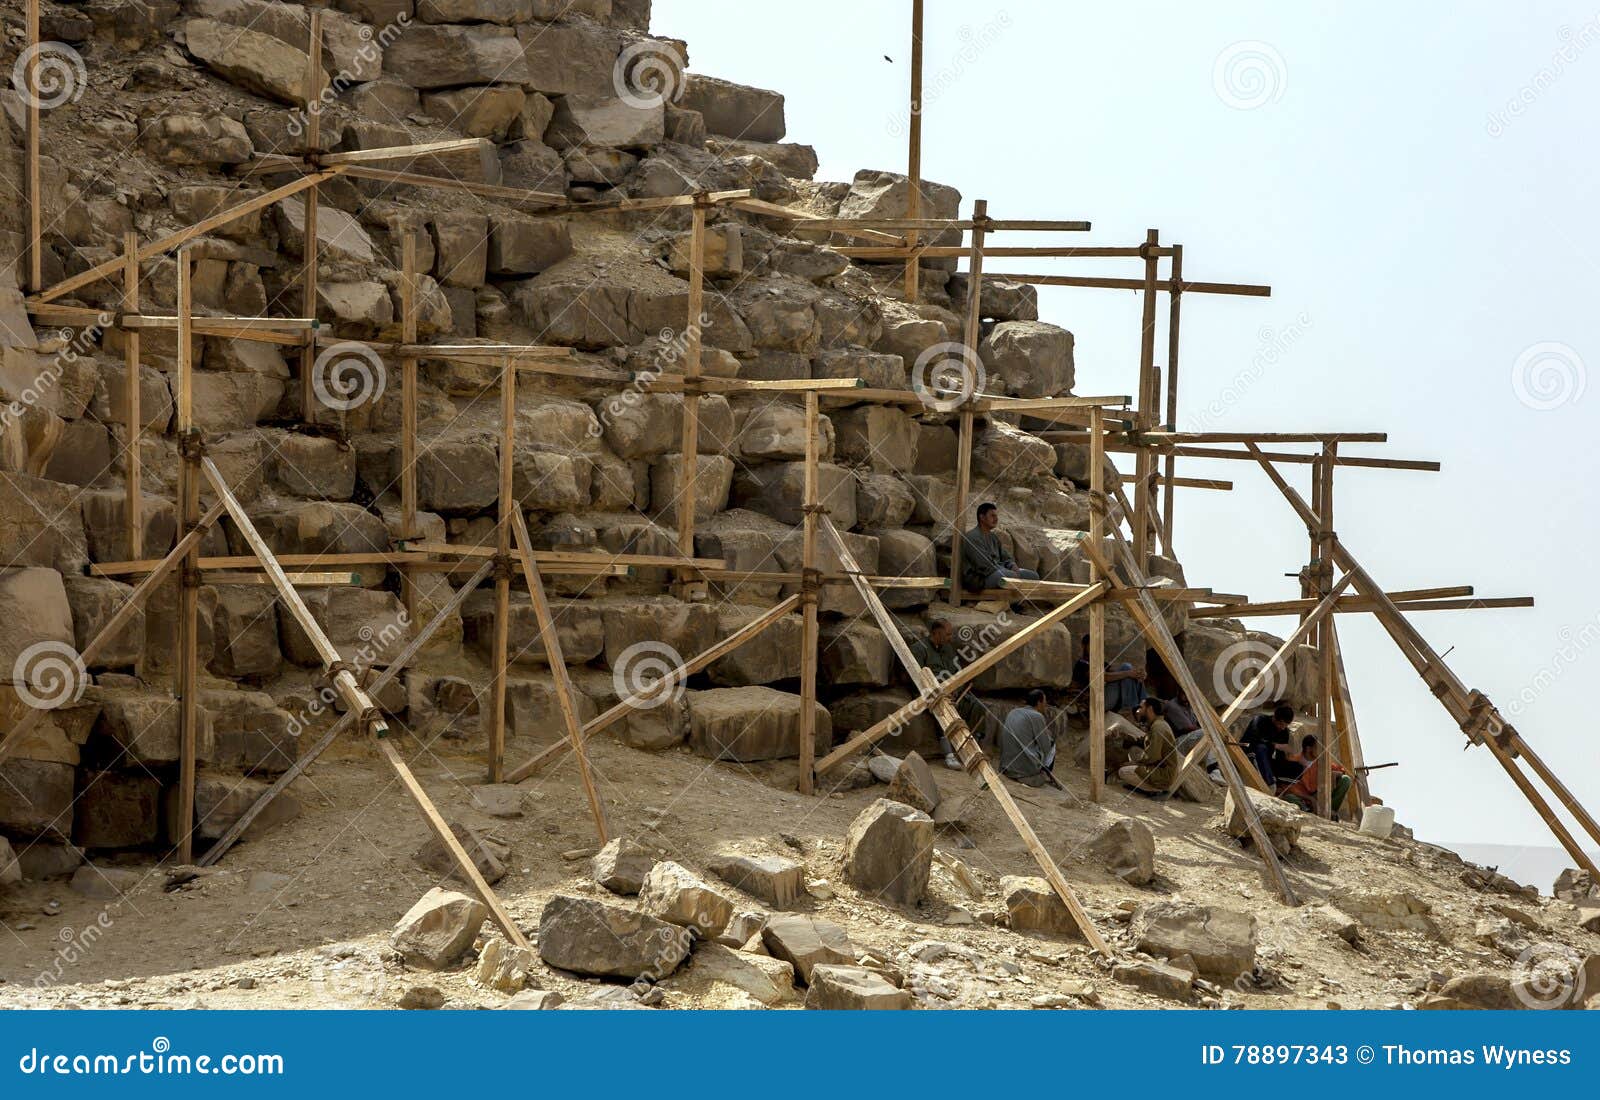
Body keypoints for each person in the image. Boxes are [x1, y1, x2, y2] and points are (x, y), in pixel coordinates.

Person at [909, 618, 986, 770]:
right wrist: (937, 692)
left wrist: (957, 689)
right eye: (948, 634)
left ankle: (970, 747)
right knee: (942, 708)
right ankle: (949, 755)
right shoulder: (919, 649)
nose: (950, 638)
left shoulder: (948, 649)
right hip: (930, 692)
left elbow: (956, 673)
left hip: (952, 691)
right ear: (936, 633)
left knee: (976, 706)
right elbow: (916, 677)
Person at [959, 502, 1040, 592]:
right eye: (992, 516)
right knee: (1009, 576)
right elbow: (984, 566)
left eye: (996, 516)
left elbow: (1006, 557)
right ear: (982, 517)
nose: (996, 519)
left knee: (1033, 576)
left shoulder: (993, 537)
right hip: (980, 579)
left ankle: (1015, 603)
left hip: (999, 571)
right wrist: (1009, 572)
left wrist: (1012, 565)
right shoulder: (972, 537)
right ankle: (1013, 603)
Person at [1279, 736, 1353, 819]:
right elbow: (1289, 788)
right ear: (1308, 749)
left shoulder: (1321, 761)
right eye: (1318, 747)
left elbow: (1340, 769)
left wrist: (1336, 773)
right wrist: (1310, 798)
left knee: (1345, 779)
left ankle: (1330, 811)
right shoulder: (1294, 761)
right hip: (1303, 799)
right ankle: (1308, 812)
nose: (1322, 750)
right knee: (1289, 797)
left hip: (1319, 799)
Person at [1073, 635, 1147, 715]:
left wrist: (1138, 674)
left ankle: (1144, 707)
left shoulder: (1101, 662)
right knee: (1127, 669)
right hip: (1095, 701)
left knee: (1128, 670)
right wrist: (1128, 673)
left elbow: (1116, 672)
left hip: (1108, 697)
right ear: (1084, 646)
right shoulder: (1081, 664)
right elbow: (1104, 677)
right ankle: (1130, 710)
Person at [1119, 697, 1179, 794]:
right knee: (1134, 750)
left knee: (1122, 772)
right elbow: (1145, 742)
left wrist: (1135, 764)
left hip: (1163, 774)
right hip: (1160, 768)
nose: (1138, 711)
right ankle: (1146, 784)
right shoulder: (1158, 724)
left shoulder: (1158, 728)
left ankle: (1156, 789)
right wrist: (1128, 739)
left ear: (1150, 709)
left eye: (1141, 708)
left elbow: (1152, 757)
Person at [999, 689, 1055, 786]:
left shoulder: (1013, 711)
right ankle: (1043, 772)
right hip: (1024, 768)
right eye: (1045, 701)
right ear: (1039, 702)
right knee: (1052, 744)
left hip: (1006, 765)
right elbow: (1045, 746)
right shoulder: (1037, 716)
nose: (1046, 705)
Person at [1239, 703, 1294, 787]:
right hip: (1248, 753)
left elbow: (1280, 755)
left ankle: (1276, 781)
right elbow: (1254, 740)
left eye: (1286, 725)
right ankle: (1269, 783)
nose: (1283, 728)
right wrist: (1275, 745)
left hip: (1265, 760)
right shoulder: (1260, 720)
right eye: (1281, 724)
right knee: (1261, 747)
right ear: (1275, 718)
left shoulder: (1284, 732)